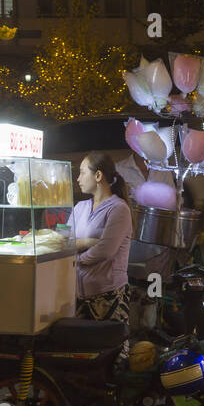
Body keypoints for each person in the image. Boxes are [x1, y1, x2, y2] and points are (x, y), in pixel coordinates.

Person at [70, 152, 135, 366]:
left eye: (81, 172)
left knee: (112, 360)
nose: (77, 178)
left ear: (98, 176)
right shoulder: (80, 208)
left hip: (108, 297)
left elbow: (106, 250)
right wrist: (86, 242)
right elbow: (66, 241)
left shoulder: (119, 209)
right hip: (79, 297)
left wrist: (76, 260)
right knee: (82, 360)